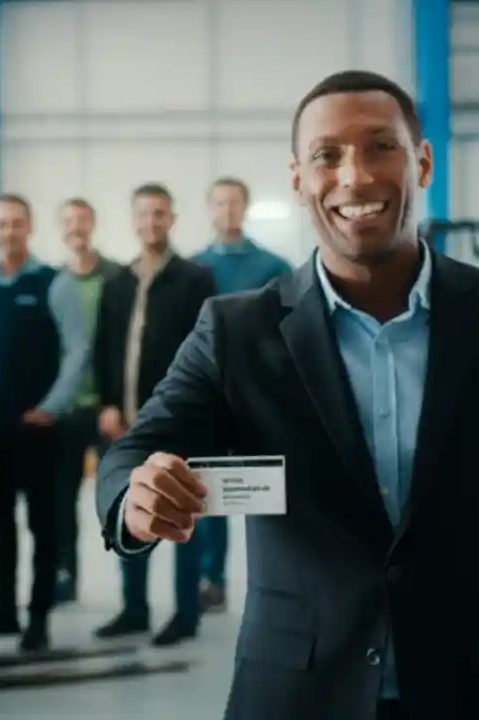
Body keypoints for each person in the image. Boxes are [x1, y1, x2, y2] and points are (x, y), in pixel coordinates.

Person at [96, 70, 479, 720]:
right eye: (327, 155)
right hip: (294, 698)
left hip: (477, 697)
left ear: (421, 162)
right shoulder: (237, 331)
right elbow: (140, 448)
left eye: (381, 147)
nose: (354, 176)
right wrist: (134, 497)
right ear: (297, 177)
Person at [92, 183, 216, 647]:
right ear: (134, 219)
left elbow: (205, 353)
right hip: (124, 423)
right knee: (130, 512)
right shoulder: (117, 281)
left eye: (160, 214)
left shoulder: (195, 278)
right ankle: (135, 608)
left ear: (172, 219)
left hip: (176, 423)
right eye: (144, 214)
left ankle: (186, 614)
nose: (152, 222)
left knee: (182, 516)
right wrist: (107, 403)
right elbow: (103, 347)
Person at [191, 177, 293, 613]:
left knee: (268, 489)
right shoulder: (194, 269)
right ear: (209, 209)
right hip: (211, 391)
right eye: (219, 203)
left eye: (234, 203)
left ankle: (274, 581)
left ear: (245, 207)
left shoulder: (274, 266)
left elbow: (290, 330)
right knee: (210, 490)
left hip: (262, 391)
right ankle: (211, 579)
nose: (227, 210)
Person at [0, 193, 61, 652]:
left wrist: (51, 406)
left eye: (17, 223)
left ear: (30, 227)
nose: (9, 231)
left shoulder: (51, 282)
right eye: (1, 224)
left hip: (36, 426)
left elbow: (72, 351)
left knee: (42, 524)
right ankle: (4, 607)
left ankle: (38, 615)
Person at [26, 198, 123, 603]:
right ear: (60, 229)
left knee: (118, 497)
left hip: (107, 412)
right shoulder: (56, 285)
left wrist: (116, 401)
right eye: (68, 221)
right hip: (66, 413)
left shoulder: (118, 278)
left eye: (82, 219)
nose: (76, 228)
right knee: (62, 501)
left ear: (93, 223)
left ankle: (129, 592)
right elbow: (55, 352)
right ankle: (68, 577)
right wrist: (49, 404)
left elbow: (120, 348)